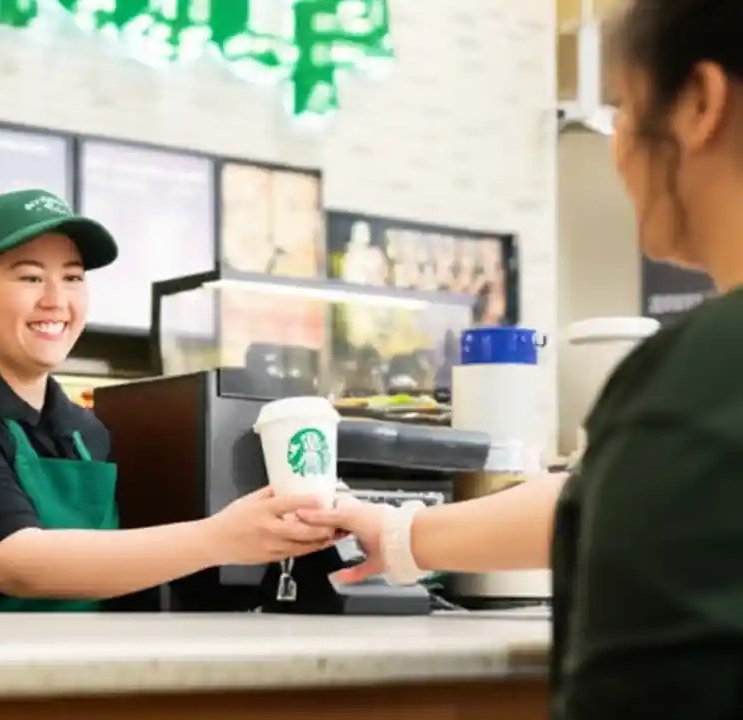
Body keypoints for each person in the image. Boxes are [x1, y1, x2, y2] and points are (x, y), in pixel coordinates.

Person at [299, 1, 743, 716]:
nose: (617, 148)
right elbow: (594, 496)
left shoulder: (688, 385)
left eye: (624, 108)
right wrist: (403, 535)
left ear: (699, 102)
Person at [0, 188, 335, 612]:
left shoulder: (85, 431)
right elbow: (17, 566)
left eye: (74, 277)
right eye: (31, 277)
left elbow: (116, 573)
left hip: (64, 683)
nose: (57, 300)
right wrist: (221, 538)